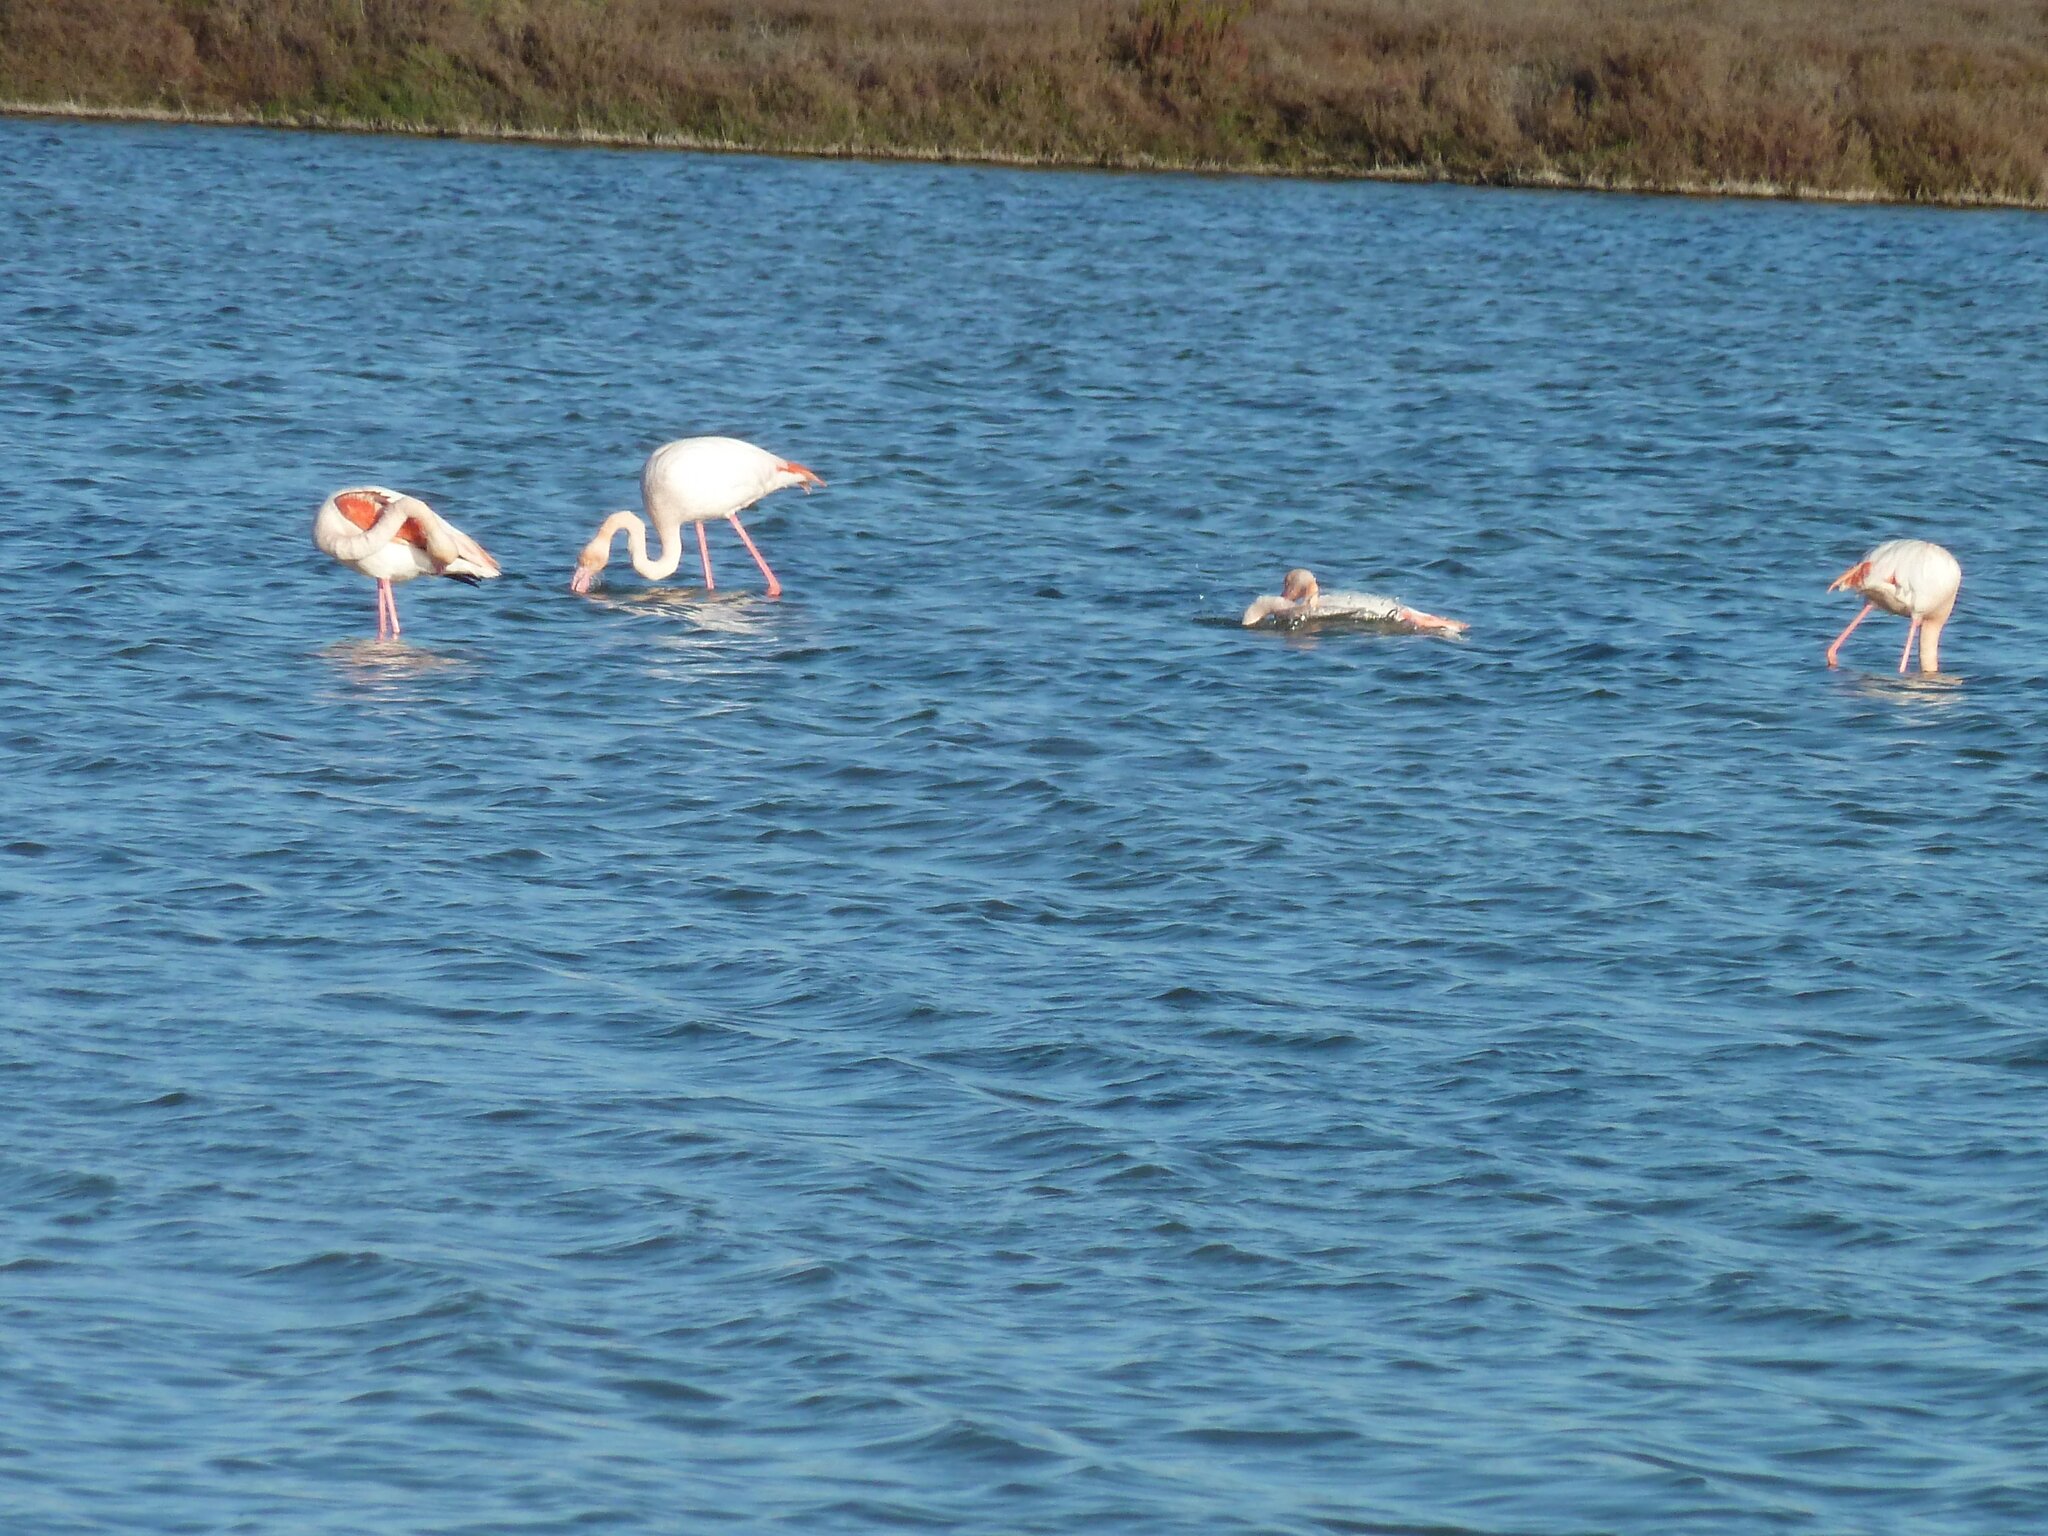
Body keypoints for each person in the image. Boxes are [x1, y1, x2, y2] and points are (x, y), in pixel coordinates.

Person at [1241, 569, 1468, 634]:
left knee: (1404, 620)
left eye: (1288, 586)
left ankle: (1439, 626)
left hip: (1389, 615)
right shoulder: (1303, 609)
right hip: (1384, 611)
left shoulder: (1304, 612)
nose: (1285, 594)